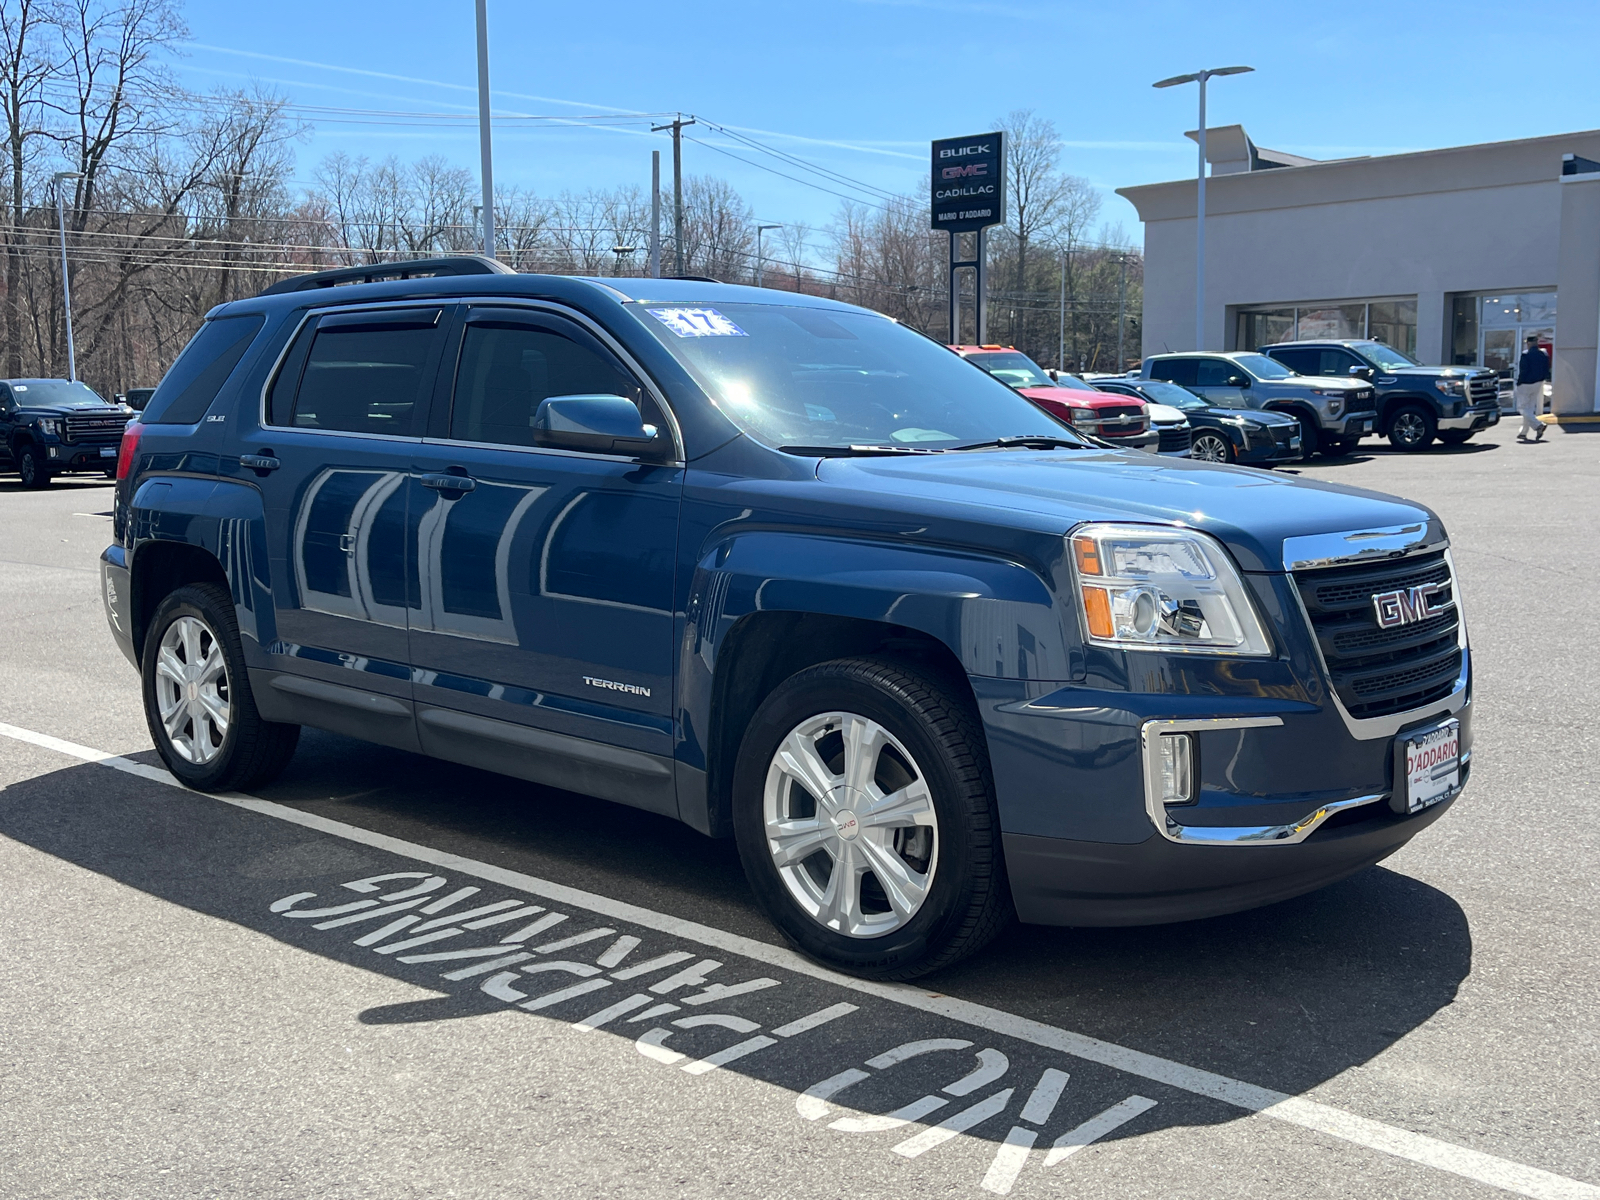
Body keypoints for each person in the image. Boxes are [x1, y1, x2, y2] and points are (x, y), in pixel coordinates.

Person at [1515, 335, 1550, 443]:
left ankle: (1538, 425)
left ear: (1528, 343)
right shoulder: (1543, 354)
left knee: (1521, 408)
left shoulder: (1525, 355)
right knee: (1529, 408)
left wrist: (1519, 382)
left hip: (1526, 384)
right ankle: (1523, 432)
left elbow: (1523, 370)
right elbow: (1546, 369)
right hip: (1538, 383)